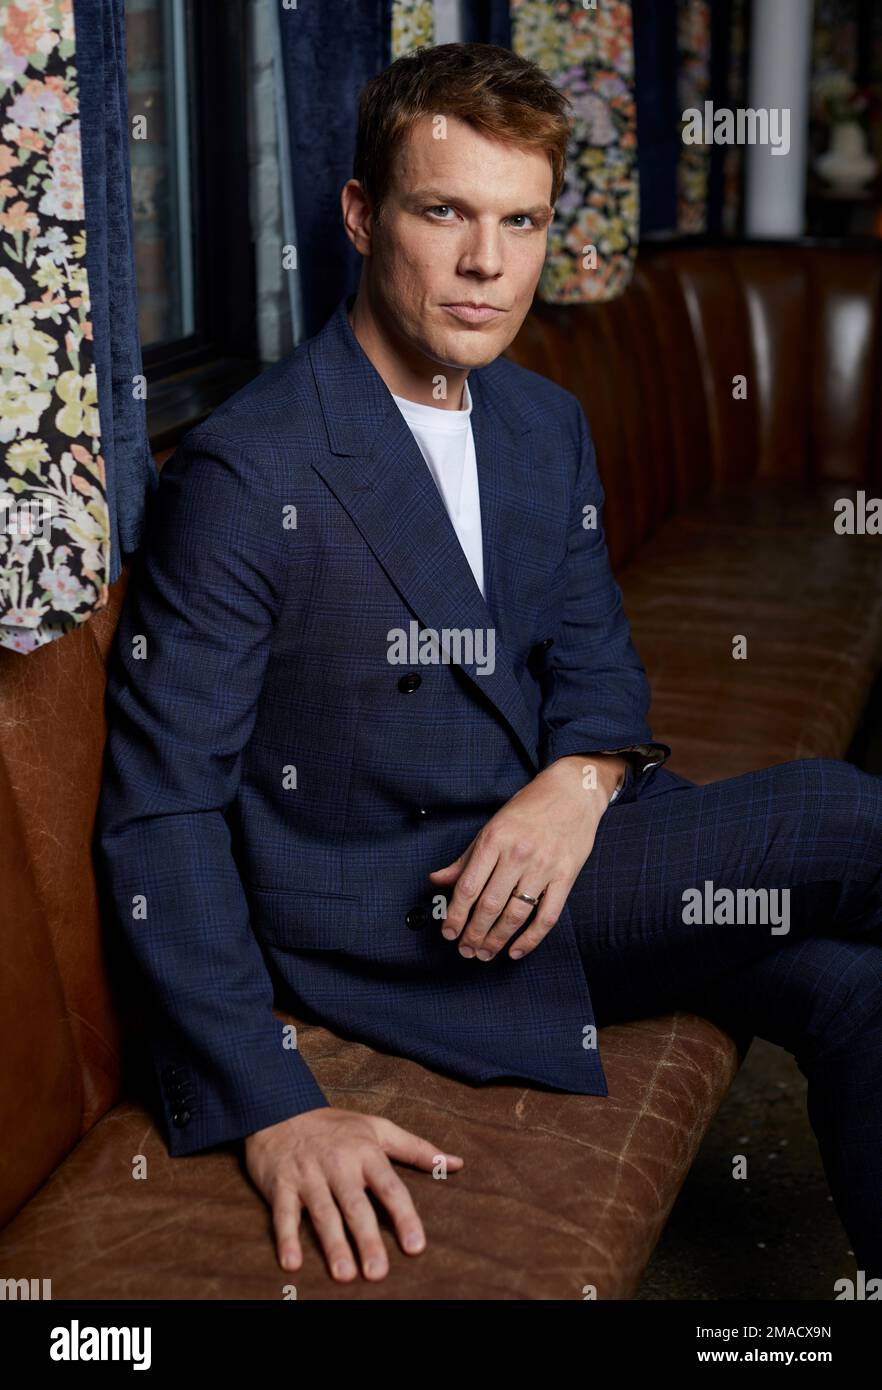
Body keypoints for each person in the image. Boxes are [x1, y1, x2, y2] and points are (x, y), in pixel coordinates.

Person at [96, 41, 882, 1288]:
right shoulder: (252, 473)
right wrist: (271, 1099)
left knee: (851, 988)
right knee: (843, 815)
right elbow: (161, 813)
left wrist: (583, 779)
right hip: (411, 918)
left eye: (521, 222)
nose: (488, 263)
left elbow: (597, 661)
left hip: (573, 849)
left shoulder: (540, 421)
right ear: (362, 216)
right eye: (445, 212)